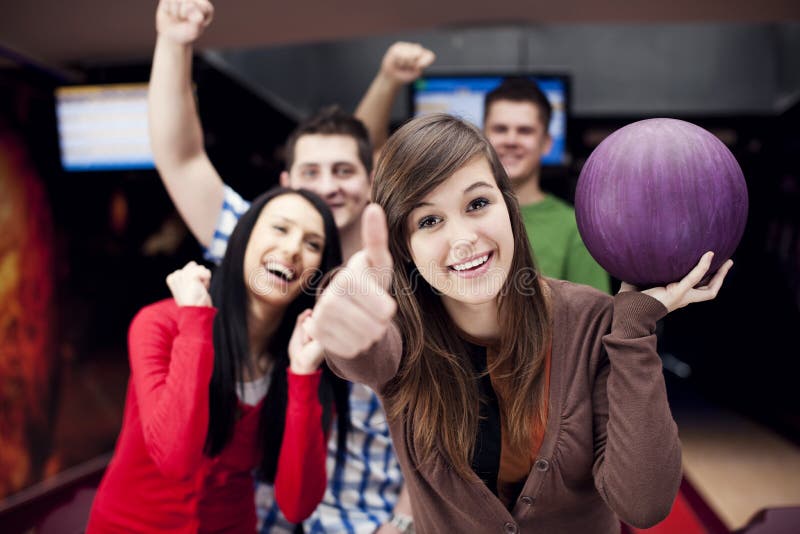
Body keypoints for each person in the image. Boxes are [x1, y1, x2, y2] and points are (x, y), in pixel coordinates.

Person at [307, 114, 733, 533]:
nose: (463, 239)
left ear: (508, 205)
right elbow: (363, 352)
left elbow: (643, 504)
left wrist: (634, 330)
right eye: (429, 221)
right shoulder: (401, 332)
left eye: (477, 204)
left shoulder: (592, 320)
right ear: (405, 246)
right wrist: (346, 309)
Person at [148, 2, 412, 532]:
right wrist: (174, 43)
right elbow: (181, 157)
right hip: (261, 516)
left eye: (344, 170)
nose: (328, 185)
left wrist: (404, 523)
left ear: (369, 180)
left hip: (362, 520)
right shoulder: (259, 245)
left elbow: (436, 418)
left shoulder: (405, 278)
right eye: (311, 171)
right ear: (287, 183)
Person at [87, 187, 347, 532]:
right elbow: (175, 460)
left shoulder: (308, 353)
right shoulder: (161, 324)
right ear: (242, 237)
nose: (292, 249)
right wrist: (195, 323)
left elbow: (297, 505)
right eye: (280, 228)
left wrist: (302, 375)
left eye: (312, 244)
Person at [355, 57, 610, 293]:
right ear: (481, 136)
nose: (511, 140)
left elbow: (591, 313)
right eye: (500, 129)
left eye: (525, 131)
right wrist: (388, 78)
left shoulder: (575, 227)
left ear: (546, 143)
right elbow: (364, 151)